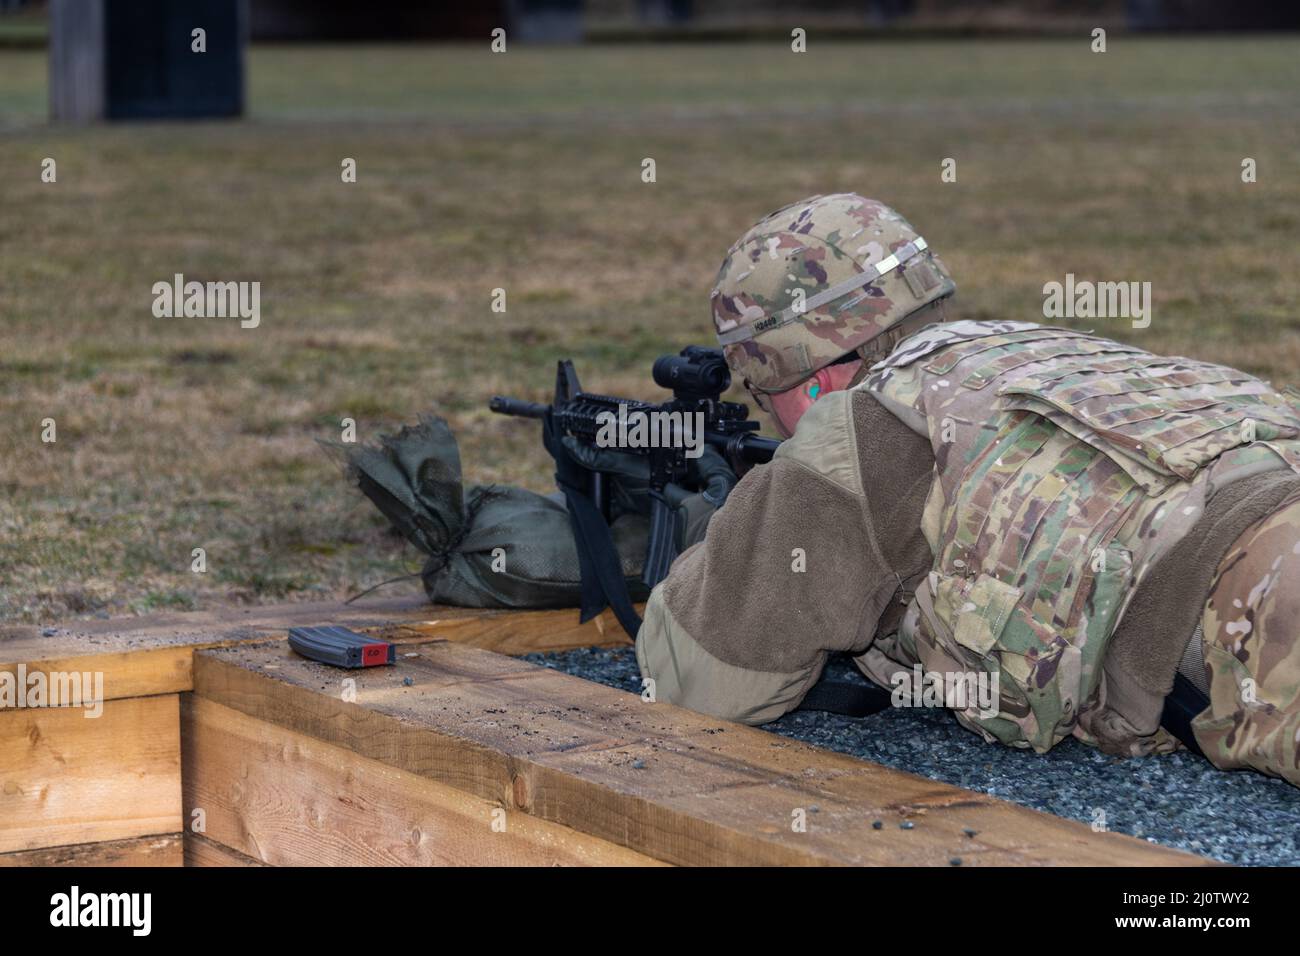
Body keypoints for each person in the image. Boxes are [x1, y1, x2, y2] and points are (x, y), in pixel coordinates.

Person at [637, 192, 1300, 787]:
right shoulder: (1032, 353)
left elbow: (694, 678)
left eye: (762, 400)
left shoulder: (862, 425)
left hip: (1253, 605)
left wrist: (718, 533)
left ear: (806, 379)